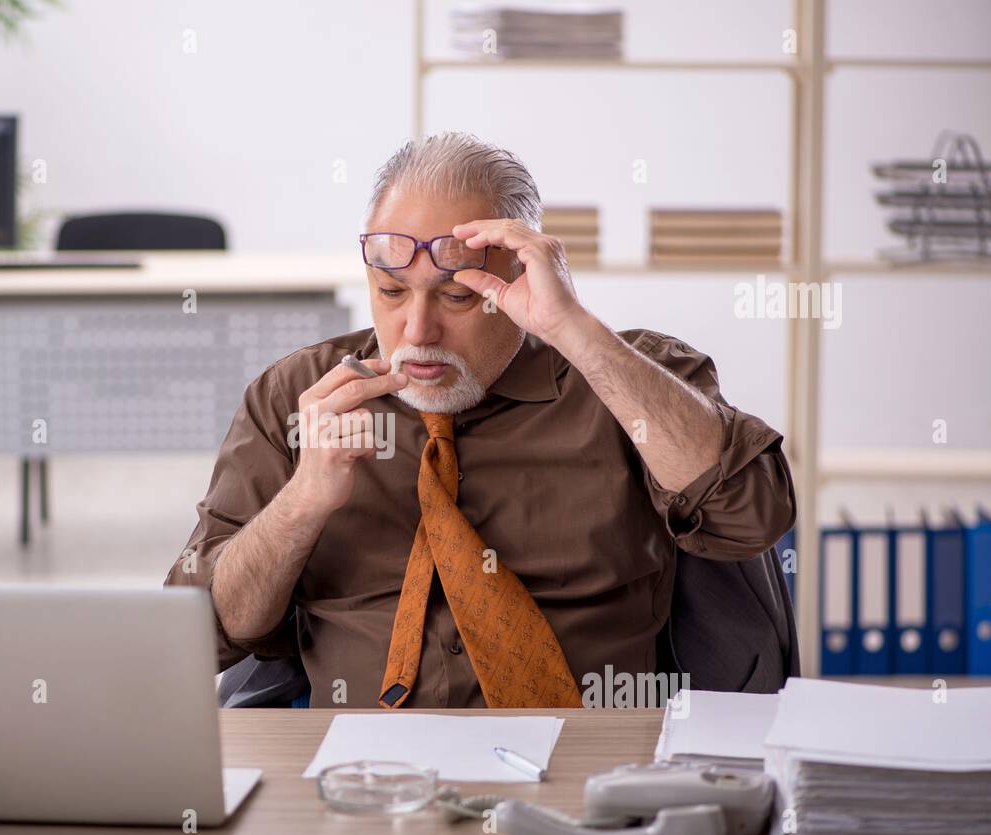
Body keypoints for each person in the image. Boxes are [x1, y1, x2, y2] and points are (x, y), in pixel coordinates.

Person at [165, 131, 795, 709]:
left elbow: (752, 517)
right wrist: (302, 501)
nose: (416, 331)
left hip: (589, 767)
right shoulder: (299, 396)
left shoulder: (628, 379)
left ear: (521, 274)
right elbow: (201, 636)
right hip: (366, 781)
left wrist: (574, 329)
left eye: (458, 296)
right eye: (391, 292)